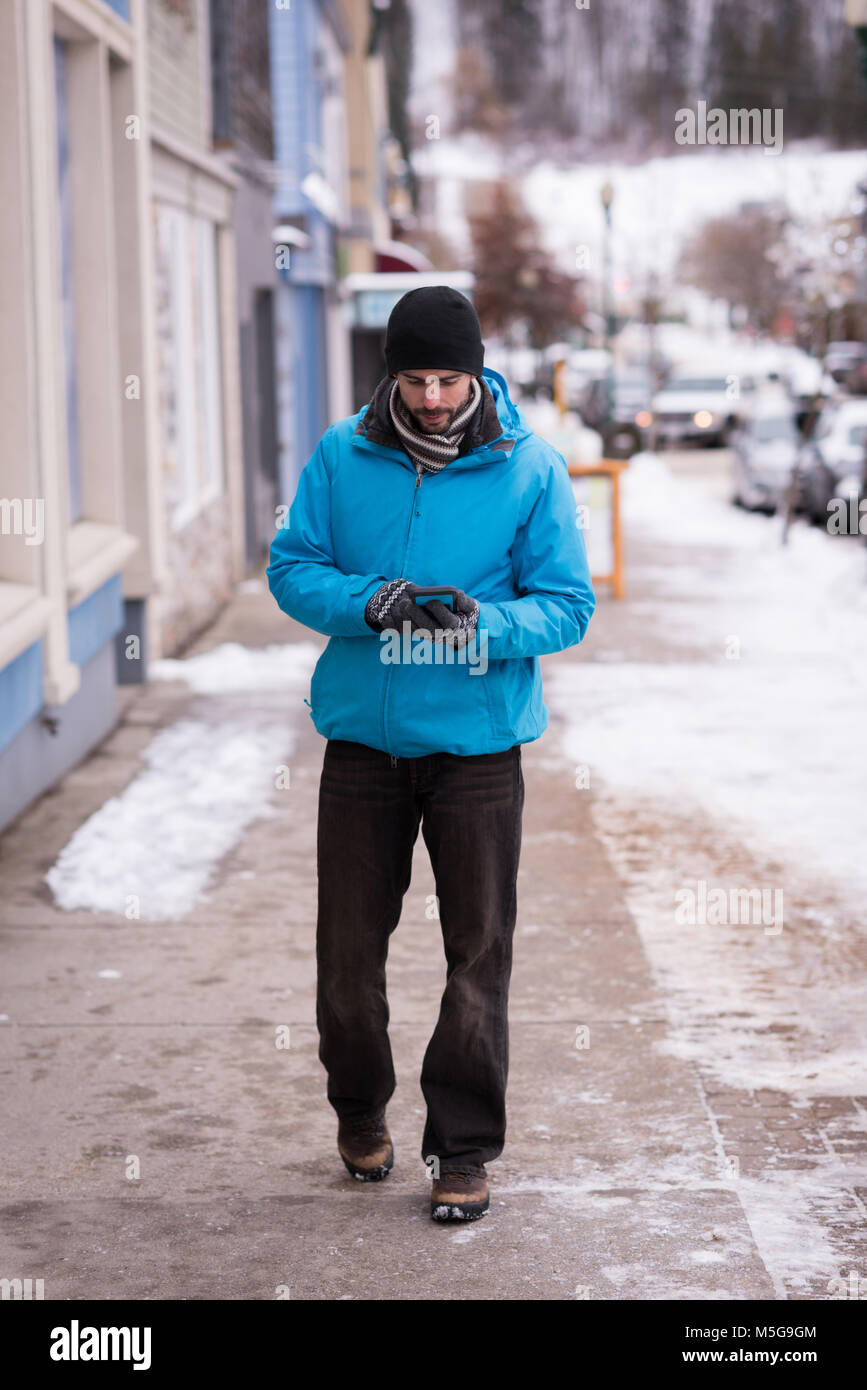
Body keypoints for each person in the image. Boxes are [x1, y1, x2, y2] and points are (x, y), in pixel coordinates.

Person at [266, 286, 596, 1221]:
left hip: (478, 748)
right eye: (415, 379)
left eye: (449, 378)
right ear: (391, 375)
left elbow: (567, 604)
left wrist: (480, 623)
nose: (434, 399)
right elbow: (293, 568)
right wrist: (372, 603)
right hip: (365, 746)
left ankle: (462, 1149)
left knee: (477, 955)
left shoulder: (528, 468)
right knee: (346, 957)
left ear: (476, 370)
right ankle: (358, 1107)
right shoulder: (343, 453)